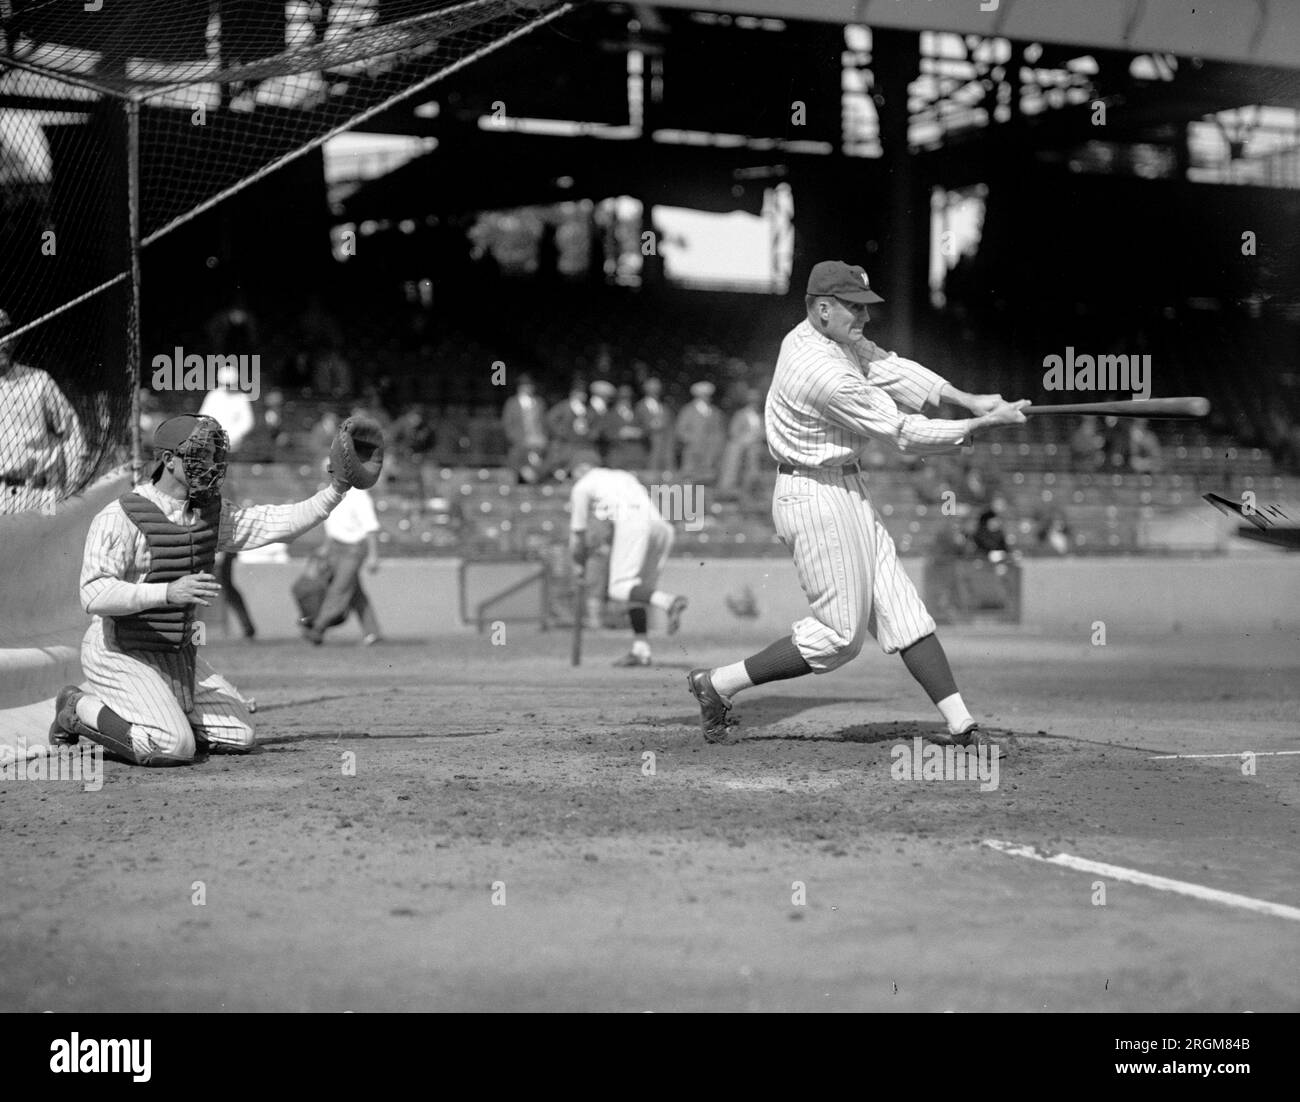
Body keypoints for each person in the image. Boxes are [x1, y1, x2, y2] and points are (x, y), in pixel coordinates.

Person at [686, 260, 1028, 749]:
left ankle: (961, 723)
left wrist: (968, 399)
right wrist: (978, 428)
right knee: (840, 638)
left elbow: (887, 365)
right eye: (855, 308)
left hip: (844, 487)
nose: (865, 319)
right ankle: (717, 684)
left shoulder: (827, 337)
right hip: (813, 497)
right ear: (823, 308)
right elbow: (903, 432)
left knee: (903, 609)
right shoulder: (820, 370)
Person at [46, 414, 359, 765]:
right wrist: (167, 592)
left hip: (175, 652)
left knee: (240, 736)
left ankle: (161, 715)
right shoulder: (120, 516)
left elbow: (275, 523)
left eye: (213, 455)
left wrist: (335, 490)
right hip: (119, 649)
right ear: (168, 460)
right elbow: (94, 594)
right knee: (171, 746)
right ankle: (76, 707)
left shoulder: (208, 513)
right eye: (197, 456)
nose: (209, 464)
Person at [568, 452, 688, 667]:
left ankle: (668, 601)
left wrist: (578, 563)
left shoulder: (582, 486)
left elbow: (578, 534)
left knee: (619, 588)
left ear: (579, 469)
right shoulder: (622, 476)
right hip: (661, 527)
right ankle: (640, 650)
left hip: (633, 524)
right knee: (637, 592)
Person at [0, 308, 89, 513]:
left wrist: (72, 486)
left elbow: (71, 433)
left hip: (43, 494)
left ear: (15, 338)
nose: (3, 342)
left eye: (6, 334)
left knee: (48, 543)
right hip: (1, 498)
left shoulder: (39, 381)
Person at [302, 479, 382, 646]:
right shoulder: (330, 493)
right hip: (335, 548)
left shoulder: (359, 495)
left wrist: (373, 556)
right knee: (353, 591)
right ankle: (372, 632)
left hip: (353, 549)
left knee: (339, 588)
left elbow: (370, 527)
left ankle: (318, 628)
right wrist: (326, 547)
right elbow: (332, 524)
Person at [675, 381, 726, 483]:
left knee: (708, 478)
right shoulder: (688, 410)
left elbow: (720, 431)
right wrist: (691, 440)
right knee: (689, 477)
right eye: (703, 395)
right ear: (697, 396)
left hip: (710, 452)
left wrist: (717, 444)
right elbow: (680, 430)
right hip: (692, 451)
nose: (706, 397)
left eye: (707, 395)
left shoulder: (715, 412)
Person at [717, 385, 764, 496]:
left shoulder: (761, 417)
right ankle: (728, 486)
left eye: (756, 401)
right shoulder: (740, 415)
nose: (754, 404)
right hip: (741, 443)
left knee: (753, 456)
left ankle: (752, 486)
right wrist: (745, 438)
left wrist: (756, 437)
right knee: (734, 451)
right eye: (752, 401)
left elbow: (764, 432)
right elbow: (733, 432)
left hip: (756, 445)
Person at [502, 373, 548, 483]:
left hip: (538, 442)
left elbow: (544, 423)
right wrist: (519, 440)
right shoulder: (512, 403)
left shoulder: (539, 402)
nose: (528, 388)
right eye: (525, 386)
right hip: (520, 443)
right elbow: (508, 425)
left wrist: (542, 438)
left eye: (530, 385)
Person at [546, 378, 595, 478]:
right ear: (574, 393)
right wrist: (562, 432)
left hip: (581, 444)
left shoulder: (587, 409)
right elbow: (551, 419)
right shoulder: (563, 407)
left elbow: (593, 425)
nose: (584, 396)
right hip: (565, 444)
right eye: (581, 393)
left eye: (584, 393)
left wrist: (588, 434)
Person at [597, 384, 649, 470]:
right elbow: (604, 433)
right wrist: (620, 433)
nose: (625, 401)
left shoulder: (637, 414)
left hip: (636, 458)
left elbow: (646, 430)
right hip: (618, 457)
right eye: (622, 398)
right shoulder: (609, 414)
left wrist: (637, 432)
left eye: (628, 398)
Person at [636, 376, 674, 476]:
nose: (655, 389)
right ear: (646, 388)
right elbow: (638, 426)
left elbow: (670, 428)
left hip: (664, 450)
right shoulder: (640, 406)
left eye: (657, 386)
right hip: (649, 448)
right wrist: (650, 427)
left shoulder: (664, 407)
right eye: (652, 386)